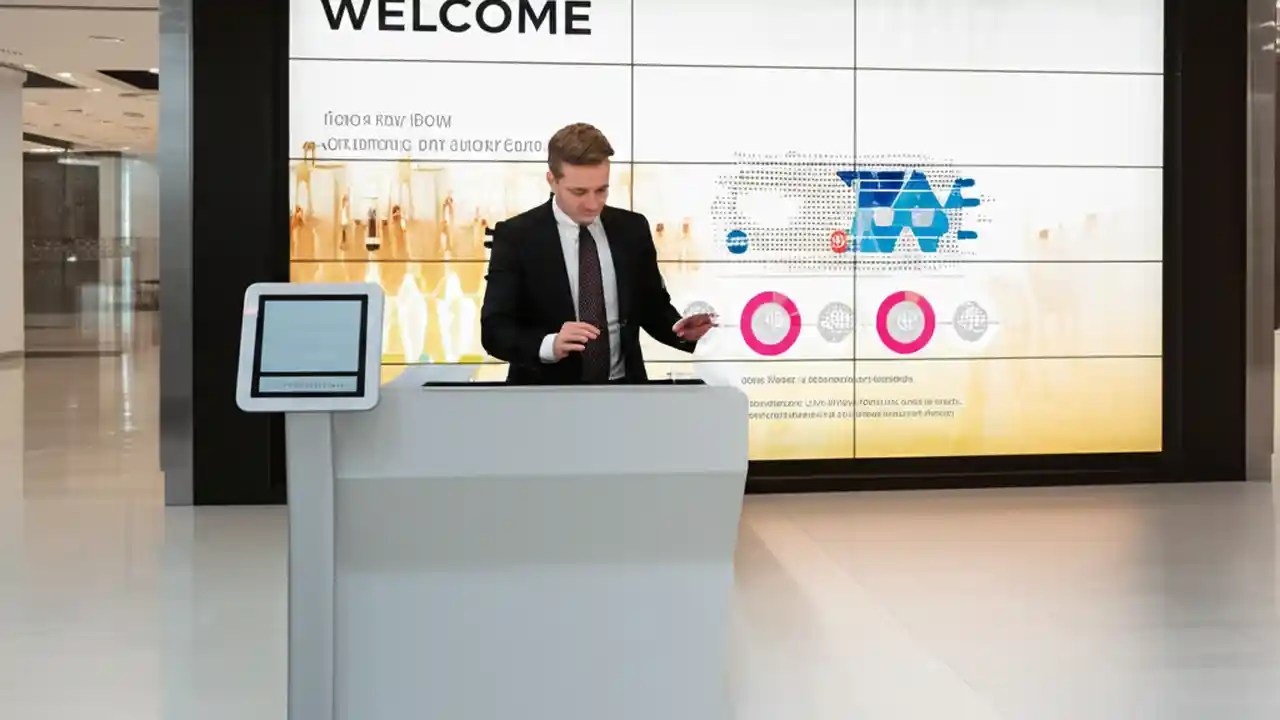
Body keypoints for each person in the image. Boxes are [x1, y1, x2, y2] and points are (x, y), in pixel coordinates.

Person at [481, 122, 715, 384]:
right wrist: (549, 345)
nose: (593, 204)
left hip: (625, 393)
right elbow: (494, 330)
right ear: (552, 180)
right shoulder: (516, 237)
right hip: (544, 398)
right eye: (579, 192)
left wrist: (682, 332)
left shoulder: (632, 229)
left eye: (601, 190)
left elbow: (652, 308)